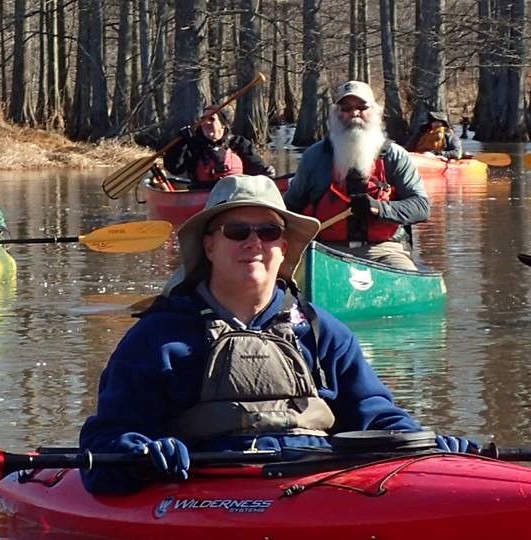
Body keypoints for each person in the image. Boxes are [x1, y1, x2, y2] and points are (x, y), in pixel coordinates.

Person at [78, 175, 476, 495]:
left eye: (268, 232)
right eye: (237, 230)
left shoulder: (322, 331)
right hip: (207, 493)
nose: (254, 242)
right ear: (210, 245)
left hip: (315, 489)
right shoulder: (158, 337)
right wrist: (138, 451)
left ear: (283, 248)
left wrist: (425, 446)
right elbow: (106, 441)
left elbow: (374, 414)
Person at [284, 80, 430, 271]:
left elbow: (421, 208)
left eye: (362, 107)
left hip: (384, 251)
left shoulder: (395, 156)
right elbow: (291, 207)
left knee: (409, 279)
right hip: (326, 251)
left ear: (375, 112)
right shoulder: (314, 156)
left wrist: (380, 208)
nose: (354, 113)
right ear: (336, 114)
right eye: (346, 108)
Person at [163, 105, 276, 190]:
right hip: (202, 195)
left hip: (235, 195)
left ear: (223, 125)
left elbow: (256, 168)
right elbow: (174, 168)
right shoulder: (193, 146)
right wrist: (180, 143)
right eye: (203, 119)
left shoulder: (239, 144)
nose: (206, 122)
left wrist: (266, 172)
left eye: (211, 119)